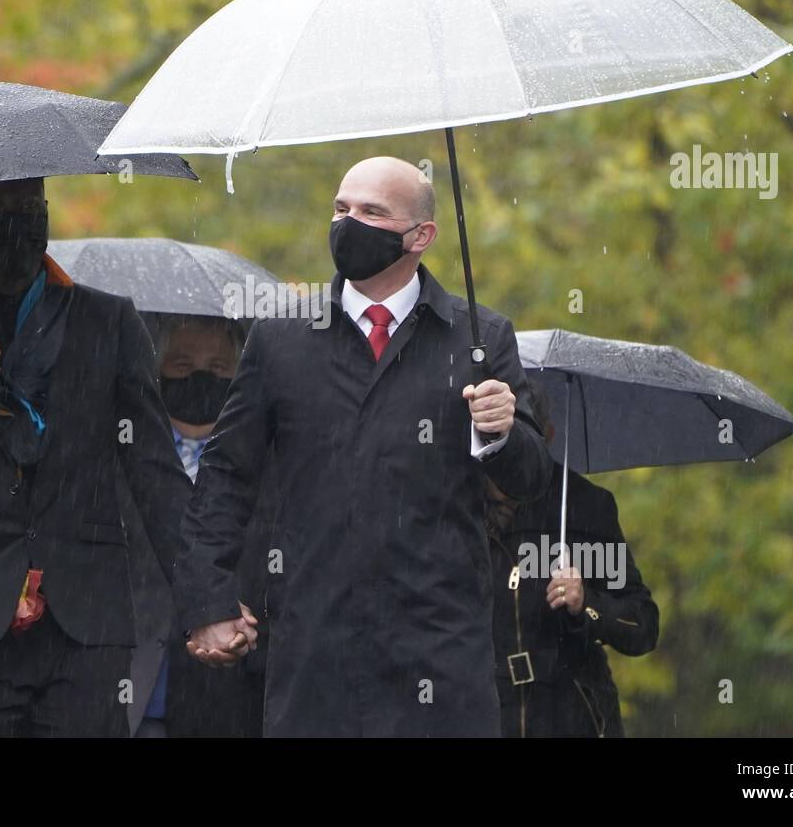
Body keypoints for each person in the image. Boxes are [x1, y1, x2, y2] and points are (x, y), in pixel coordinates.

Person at [175, 156, 554, 737]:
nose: (349, 223)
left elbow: (531, 481)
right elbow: (225, 476)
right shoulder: (281, 340)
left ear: (420, 236)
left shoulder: (480, 338)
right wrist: (209, 603)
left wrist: (501, 432)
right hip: (314, 654)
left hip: (440, 656)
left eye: (372, 212)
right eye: (341, 208)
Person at [0, 176, 193, 737]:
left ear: (46, 212)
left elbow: (157, 476)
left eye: (27, 206)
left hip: (87, 627)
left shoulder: (110, 323)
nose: (14, 221)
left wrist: (207, 600)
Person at [484, 381, 660, 737]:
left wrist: (586, 604)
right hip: (487, 716)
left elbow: (642, 625)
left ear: (546, 437)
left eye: (522, 438)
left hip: (571, 717)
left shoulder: (584, 509)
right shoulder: (454, 508)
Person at [126, 314, 269, 738]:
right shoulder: (124, 452)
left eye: (220, 367)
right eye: (183, 365)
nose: (202, 376)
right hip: (135, 688)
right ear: (158, 369)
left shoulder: (267, 460)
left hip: (234, 698)